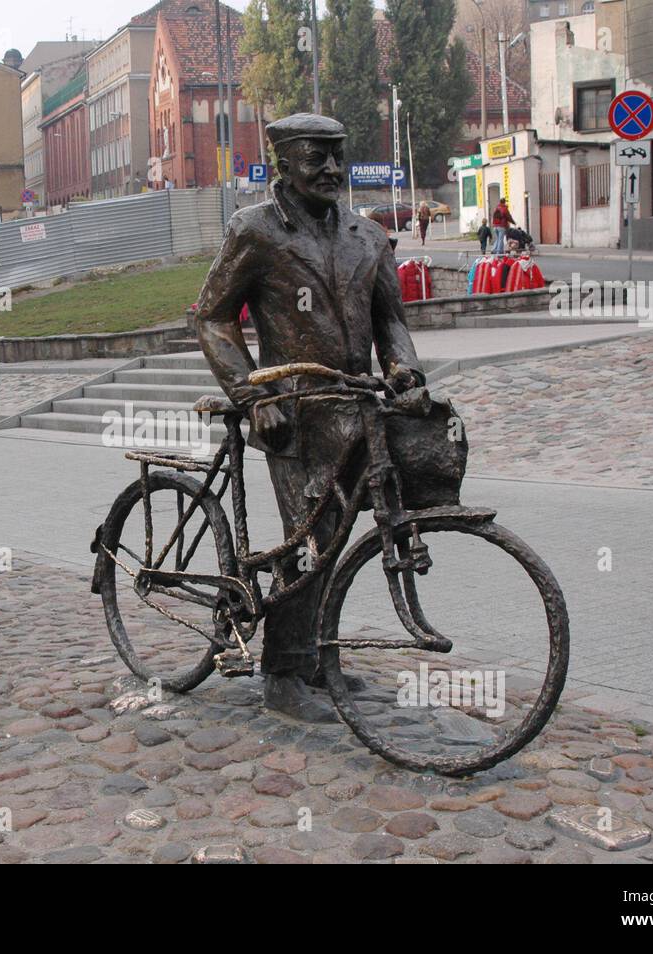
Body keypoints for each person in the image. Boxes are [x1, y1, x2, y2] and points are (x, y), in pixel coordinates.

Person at [196, 112, 425, 723]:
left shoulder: (368, 237)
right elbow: (213, 317)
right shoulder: (255, 232)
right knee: (310, 541)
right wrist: (253, 395)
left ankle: (317, 658)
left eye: (337, 154)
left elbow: (391, 322)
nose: (330, 167)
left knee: (335, 539)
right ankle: (281, 672)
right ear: (283, 164)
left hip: (357, 411)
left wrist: (404, 371)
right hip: (290, 414)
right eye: (314, 155)